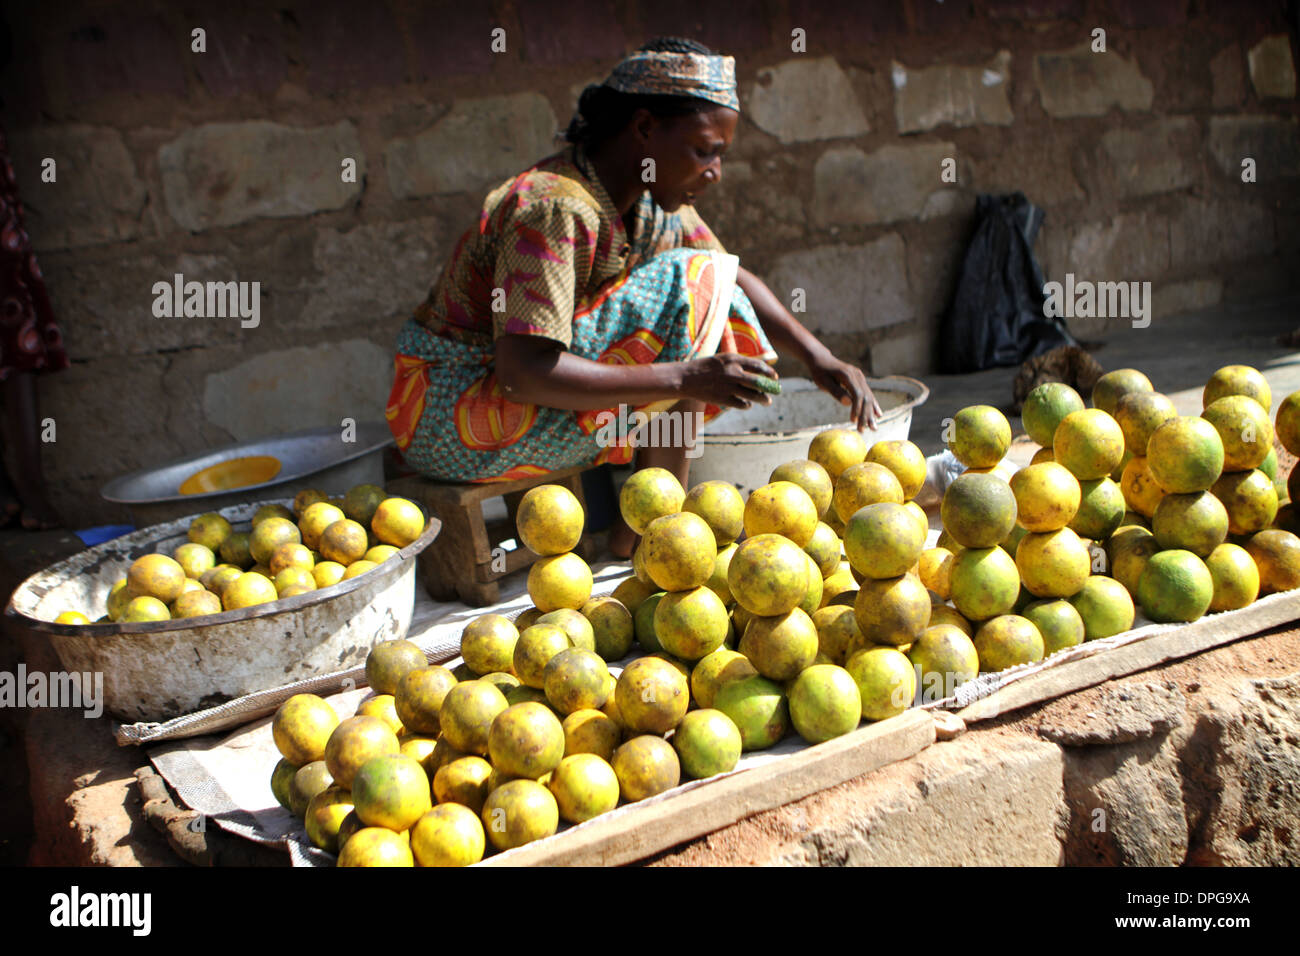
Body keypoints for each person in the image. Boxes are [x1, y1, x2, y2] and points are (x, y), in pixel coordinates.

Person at [387, 37, 881, 557]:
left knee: (704, 295)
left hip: (511, 401)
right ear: (644, 127)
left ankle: (649, 529)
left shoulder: (650, 200)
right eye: (704, 151)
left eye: (720, 155)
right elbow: (521, 372)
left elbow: (727, 276)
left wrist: (818, 356)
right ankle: (652, 532)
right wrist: (688, 377)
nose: (715, 172)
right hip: (448, 416)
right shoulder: (555, 208)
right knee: (689, 299)